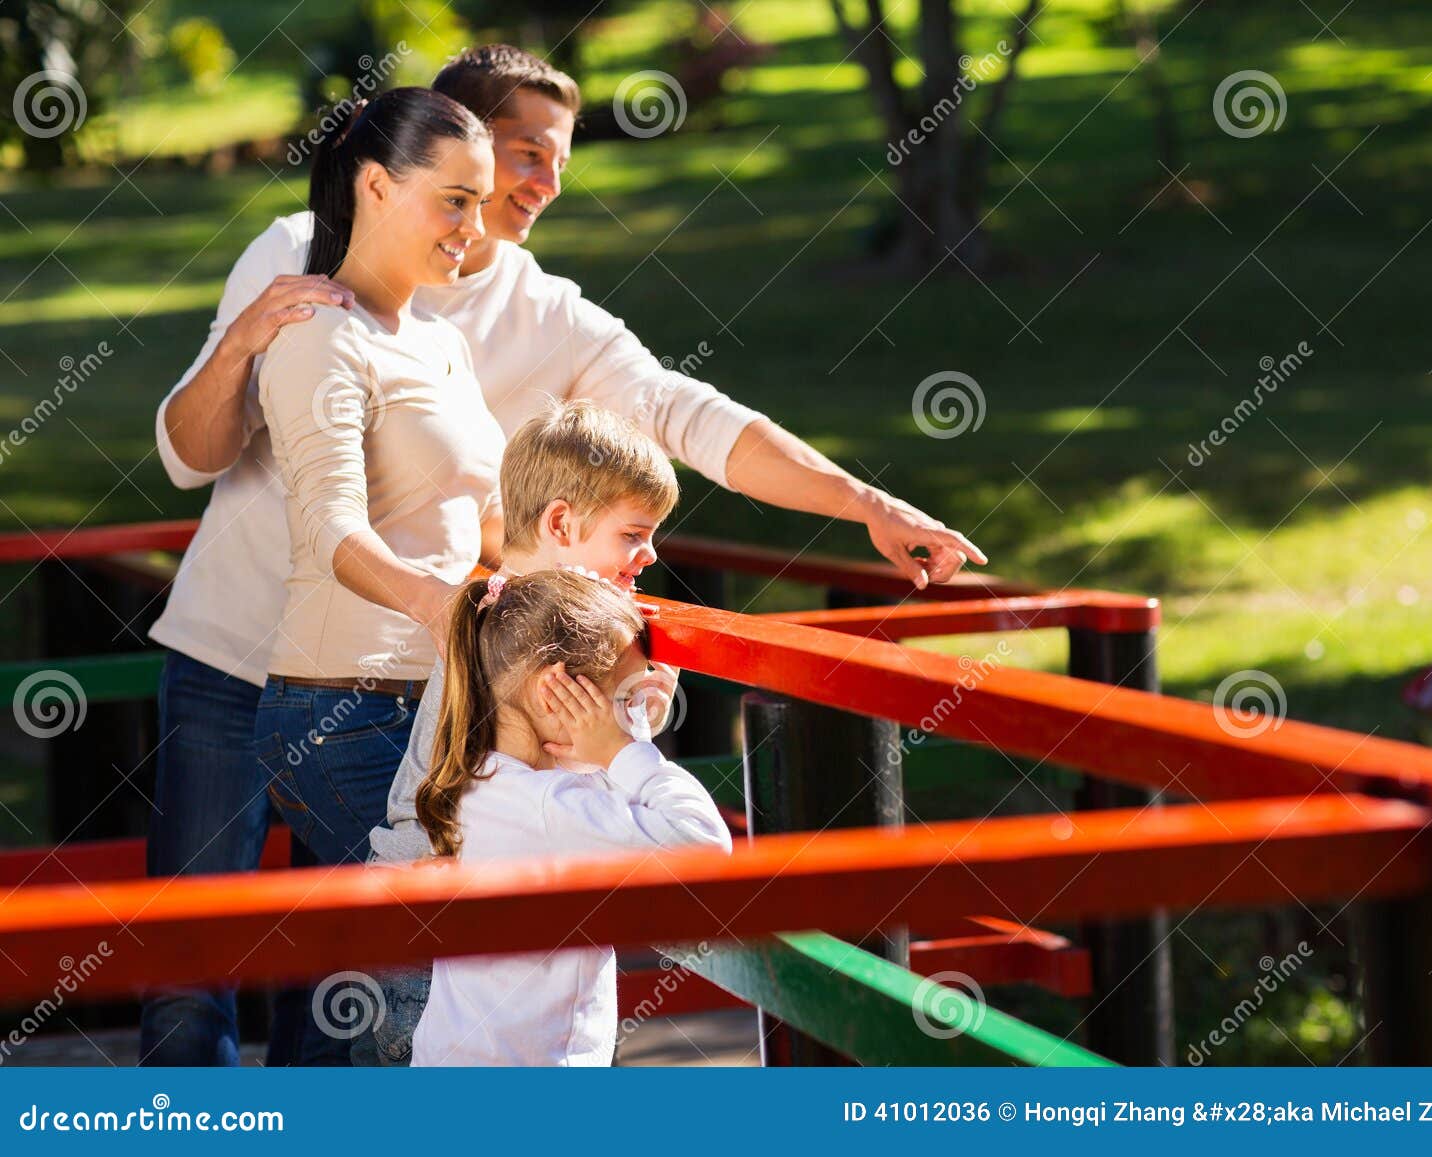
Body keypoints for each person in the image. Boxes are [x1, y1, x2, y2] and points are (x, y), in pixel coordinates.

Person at [144, 45, 981, 1066]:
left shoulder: (526, 318)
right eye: (525, 152)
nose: (543, 183)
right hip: (242, 654)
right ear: (427, 146)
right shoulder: (298, 261)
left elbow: (676, 416)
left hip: (417, 683)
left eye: (558, 161)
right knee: (195, 971)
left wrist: (863, 504)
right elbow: (192, 458)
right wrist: (243, 341)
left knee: (356, 982)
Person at [252, 85, 503, 1065]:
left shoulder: (441, 341)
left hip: (436, 704)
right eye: (455, 200)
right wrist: (443, 606)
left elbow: (483, 522)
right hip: (343, 714)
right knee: (430, 980)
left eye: (481, 204)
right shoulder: (319, 333)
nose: (474, 227)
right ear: (376, 186)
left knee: (362, 989)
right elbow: (330, 530)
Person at [356, 399, 681, 1066]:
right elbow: (583, 773)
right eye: (632, 535)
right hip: (447, 948)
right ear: (561, 522)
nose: (650, 554)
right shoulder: (543, 641)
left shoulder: (497, 614)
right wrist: (639, 720)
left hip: (415, 926)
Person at [409, 570, 732, 1066]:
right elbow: (704, 847)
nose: (631, 718)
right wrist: (628, 751)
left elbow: (600, 795)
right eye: (624, 701)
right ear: (554, 694)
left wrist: (627, 730)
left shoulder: (488, 778)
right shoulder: (546, 805)